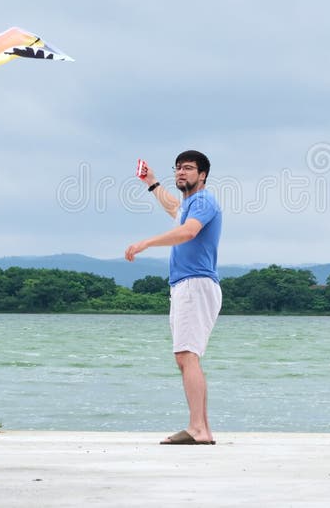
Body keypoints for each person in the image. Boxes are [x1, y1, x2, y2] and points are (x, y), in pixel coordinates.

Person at [125, 150, 223, 445]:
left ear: (202, 174)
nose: (181, 172)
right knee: (187, 357)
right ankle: (202, 428)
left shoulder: (204, 201)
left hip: (195, 285)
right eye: (178, 168)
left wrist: (146, 242)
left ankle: (197, 429)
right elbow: (174, 209)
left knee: (186, 356)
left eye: (189, 168)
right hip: (187, 285)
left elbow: (188, 231)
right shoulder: (190, 203)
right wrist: (152, 182)